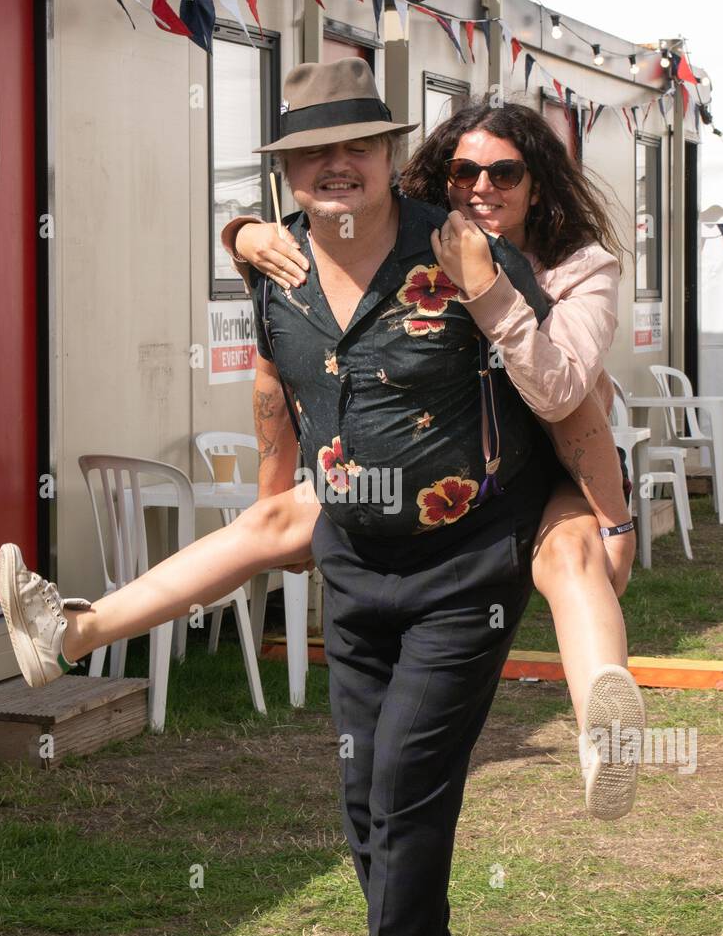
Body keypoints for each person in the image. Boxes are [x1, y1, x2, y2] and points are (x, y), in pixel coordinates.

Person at [0, 60, 637, 936]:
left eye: (355, 146)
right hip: (354, 563)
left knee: (407, 788)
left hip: (462, 567)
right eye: (310, 153)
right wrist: (271, 502)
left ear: (388, 156)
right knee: (360, 804)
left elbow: (570, 407)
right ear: (287, 170)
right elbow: (273, 389)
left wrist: (605, 518)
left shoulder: (466, 251)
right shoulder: (274, 270)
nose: (335, 166)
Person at [221, 98, 646, 815]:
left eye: (505, 173)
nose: (482, 187)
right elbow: (336, 224)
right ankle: (75, 626)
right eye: (464, 171)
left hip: (558, 456)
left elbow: (560, 395)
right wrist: (244, 233)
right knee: (263, 529)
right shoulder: (420, 233)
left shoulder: (577, 266)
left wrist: (618, 521)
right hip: (453, 464)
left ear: (536, 182)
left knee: (573, 560)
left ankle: (605, 736)